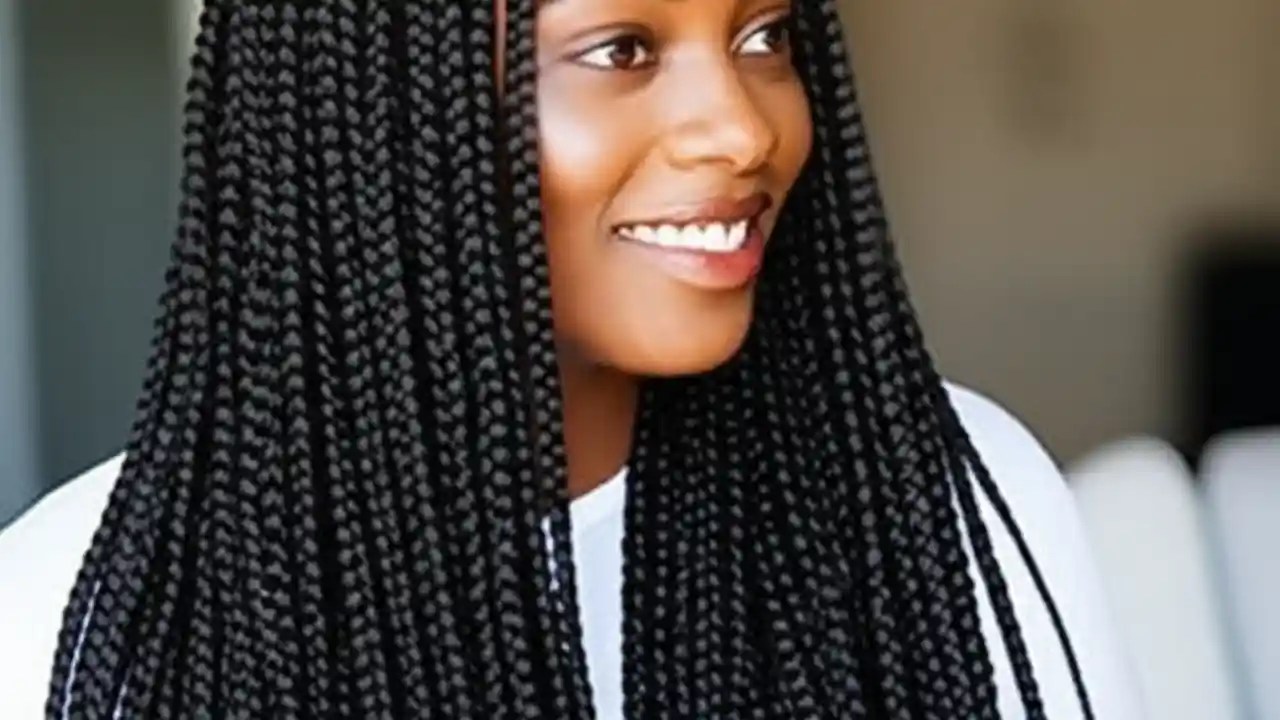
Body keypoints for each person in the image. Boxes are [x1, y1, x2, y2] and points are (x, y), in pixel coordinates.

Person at [0, 0, 1143, 717]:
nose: (742, 128)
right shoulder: (77, 609)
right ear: (377, 111)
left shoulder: (947, 502)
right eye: (620, 50)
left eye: (763, 37)